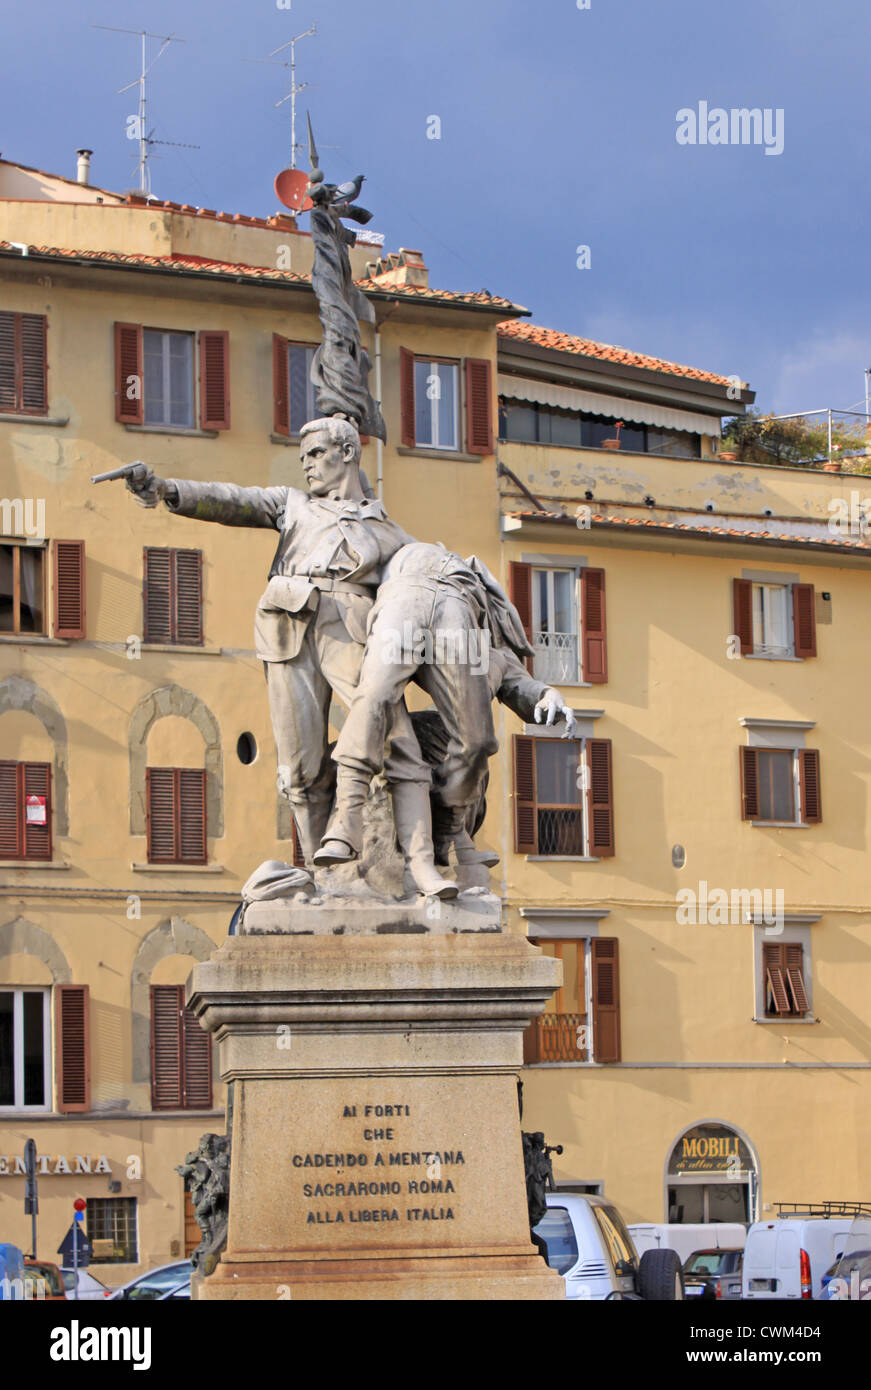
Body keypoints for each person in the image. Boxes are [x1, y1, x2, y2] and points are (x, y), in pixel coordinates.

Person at [124, 418, 457, 899]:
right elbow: (231, 500)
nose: (307, 465)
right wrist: (165, 488)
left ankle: (423, 867)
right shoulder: (292, 505)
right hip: (286, 627)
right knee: (300, 768)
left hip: (352, 628)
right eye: (302, 457)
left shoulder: (391, 534)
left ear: (347, 453)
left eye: (316, 453)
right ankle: (327, 874)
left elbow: (423, 590)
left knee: (397, 743)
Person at [315, 541, 575, 868]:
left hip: (450, 750)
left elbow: (520, 683)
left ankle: (448, 823)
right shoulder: (410, 561)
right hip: (405, 600)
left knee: (480, 742)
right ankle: (346, 819)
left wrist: (547, 694)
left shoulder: (490, 651)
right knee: (374, 696)